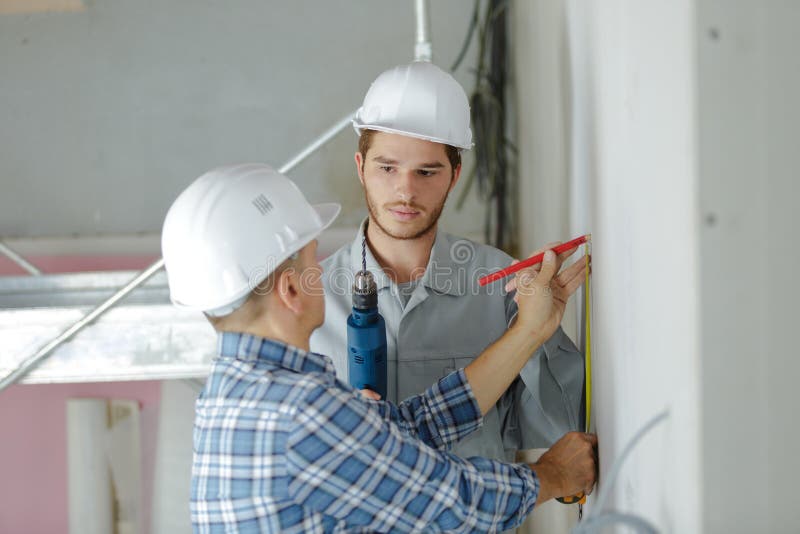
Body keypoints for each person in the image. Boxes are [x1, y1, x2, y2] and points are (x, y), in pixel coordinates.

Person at [162, 163, 596, 533]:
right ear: (291, 289)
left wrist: (528, 331)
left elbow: (406, 429)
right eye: (313, 258)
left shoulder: (231, 400)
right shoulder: (298, 410)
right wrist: (554, 475)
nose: (322, 269)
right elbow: (448, 503)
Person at [310, 61, 585, 464]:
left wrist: (544, 332)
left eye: (426, 171)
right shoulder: (309, 303)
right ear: (361, 169)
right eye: (387, 168)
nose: (405, 190)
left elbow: (562, 422)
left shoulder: (499, 286)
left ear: (454, 176)